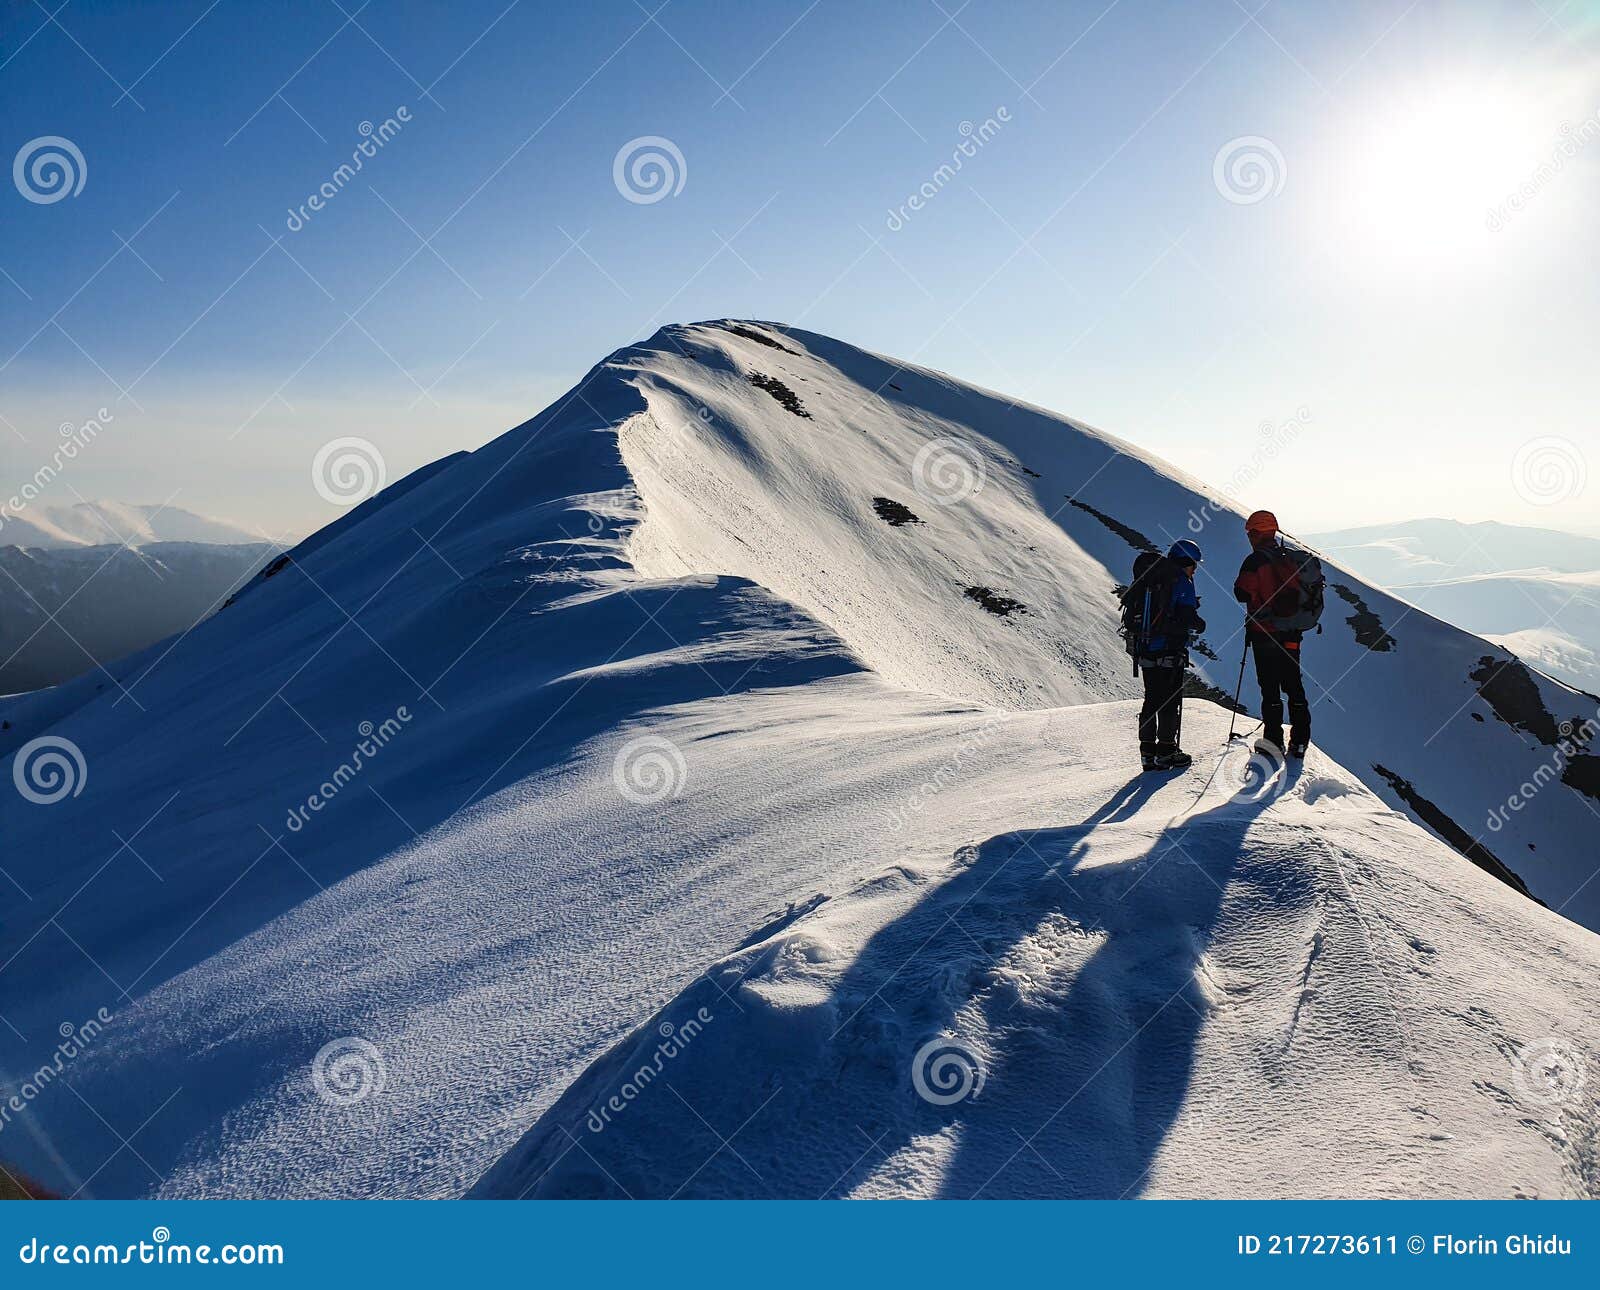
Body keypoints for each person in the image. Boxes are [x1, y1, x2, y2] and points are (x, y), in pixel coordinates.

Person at [1233, 510, 1320, 757]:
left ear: (1258, 532)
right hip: (1292, 634)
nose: (1249, 537)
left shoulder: (1256, 561)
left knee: (1270, 688)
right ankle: (1300, 741)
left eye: (1251, 532)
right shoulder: (1290, 558)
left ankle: (1273, 743)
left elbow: (1241, 593)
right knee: (1293, 685)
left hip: (1264, 634)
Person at [1127, 539, 1206, 772]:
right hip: (1170, 650)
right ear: (1186, 561)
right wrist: (1199, 624)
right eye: (1194, 564)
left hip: (1146, 649)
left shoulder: (1152, 579)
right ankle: (1167, 751)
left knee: (1151, 697)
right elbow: (1187, 617)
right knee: (1170, 700)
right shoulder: (1181, 581)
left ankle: (1147, 753)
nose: (1195, 570)